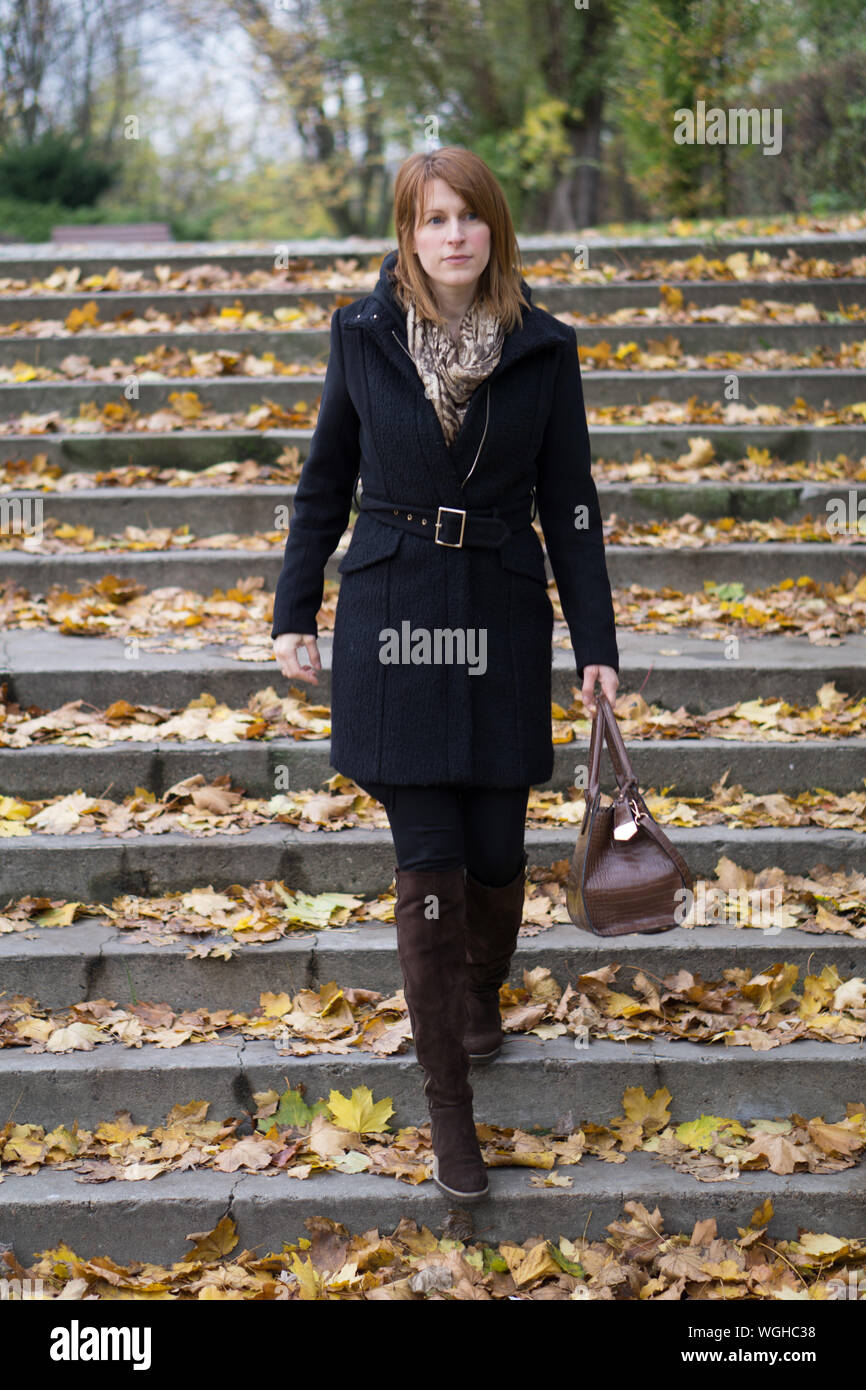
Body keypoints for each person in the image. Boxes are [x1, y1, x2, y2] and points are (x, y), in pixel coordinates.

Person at [271, 146, 619, 1202]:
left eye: (467, 217)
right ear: (405, 234)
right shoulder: (360, 334)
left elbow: (569, 502)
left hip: (502, 614)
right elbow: (323, 477)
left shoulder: (544, 349)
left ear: (492, 229)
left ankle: (482, 988)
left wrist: (596, 645)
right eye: (431, 219)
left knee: (495, 851)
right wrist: (294, 609)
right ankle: (448, 1117)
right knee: (427, 861)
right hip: (390, 612)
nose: (452, 235)